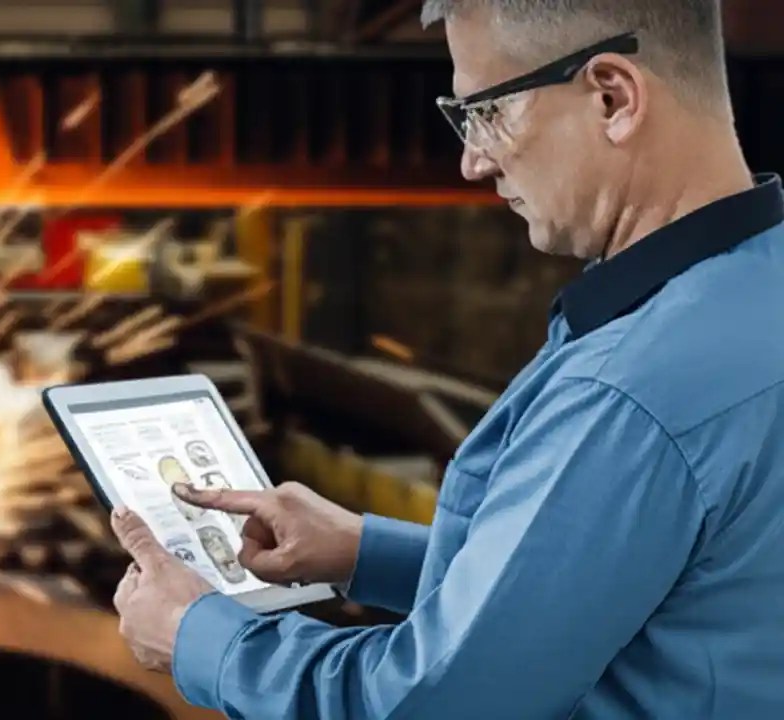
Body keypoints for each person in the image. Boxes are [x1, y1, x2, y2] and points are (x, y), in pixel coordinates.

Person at [108, 0, 784, 717]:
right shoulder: (751, 290)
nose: (471, 161)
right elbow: (630, 582)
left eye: (487, 113)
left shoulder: (628, 394)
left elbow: (431, 702)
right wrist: (363, 553)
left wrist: (200, 636)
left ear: (612, 97)